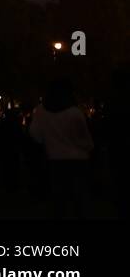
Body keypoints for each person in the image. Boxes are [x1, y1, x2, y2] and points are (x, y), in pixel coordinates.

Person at [30, 79, 94, 219]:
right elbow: (84, 138)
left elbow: (35, 134)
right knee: (79, 200)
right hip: (78, 160)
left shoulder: (40, 111)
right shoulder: (74, 112)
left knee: (59, 201)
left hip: (55, 160)